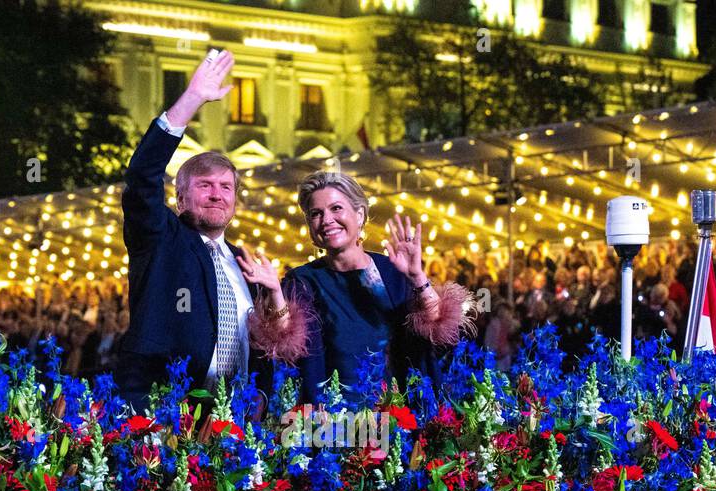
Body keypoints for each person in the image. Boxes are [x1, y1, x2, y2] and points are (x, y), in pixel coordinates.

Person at [114, 50, 287, 409]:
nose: (216, 195)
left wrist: (274, 298)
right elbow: (142, 177)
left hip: (232, 415)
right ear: (179, 199)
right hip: (166, 408)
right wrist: (192, 99)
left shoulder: (243, 262)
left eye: (226, 187)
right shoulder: (160, 237)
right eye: (204, 185)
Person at [259, 170, 472, 405]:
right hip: (335, 421)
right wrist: (275, 293)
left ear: (359, 215)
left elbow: (438, 335)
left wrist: (418, 276)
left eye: (336, 208)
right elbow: (288, 346)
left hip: (400, 413)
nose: (327, 220)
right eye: (316, 214)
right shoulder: (302, 280)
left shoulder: (392, 270)